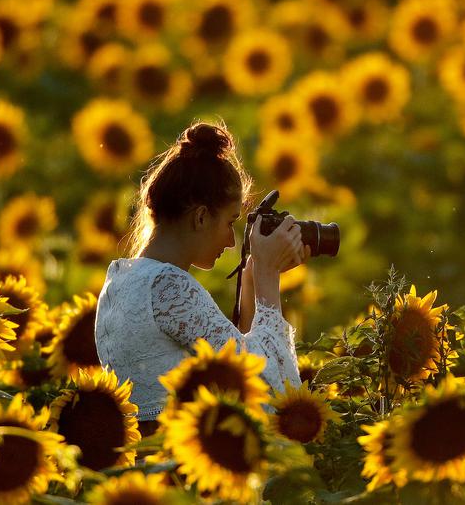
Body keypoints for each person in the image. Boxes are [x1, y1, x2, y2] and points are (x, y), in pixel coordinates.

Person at [94, 119, 308, 444]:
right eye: (230, 222)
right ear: (201, 217)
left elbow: (240, 375)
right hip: (180, 475)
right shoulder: (168, 287)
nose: (232, 242)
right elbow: (274, 389)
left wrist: (251, 280)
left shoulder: (121, 280)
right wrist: (267, 277)